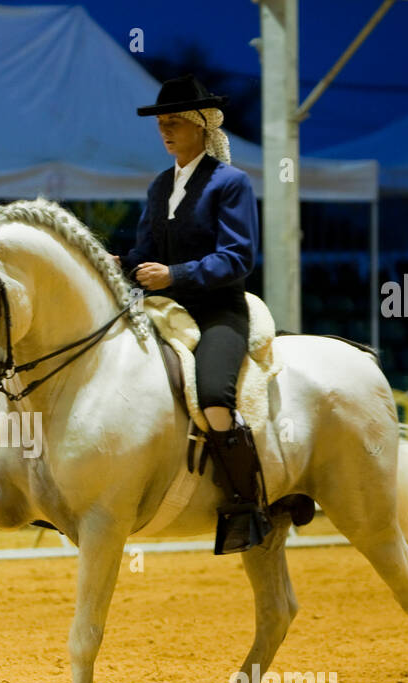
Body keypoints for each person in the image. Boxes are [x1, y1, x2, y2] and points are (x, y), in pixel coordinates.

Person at [117, 75, 269, 554]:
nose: (166, 131)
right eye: (162, 123)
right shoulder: (161, 185)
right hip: (164, 308)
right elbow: (144, 250)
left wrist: (176, 276)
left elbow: (238, 257)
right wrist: (112, 263)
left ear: (203, 125)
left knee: (216, 401)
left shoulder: (231, 183)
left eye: (175, 123)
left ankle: (248, 503)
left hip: (218, 310)